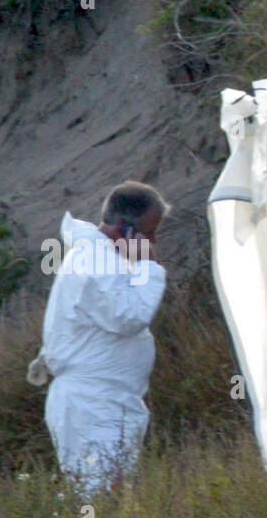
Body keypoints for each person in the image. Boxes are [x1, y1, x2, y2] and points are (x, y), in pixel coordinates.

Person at [28, 181, 168, 496]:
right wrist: (147, 266)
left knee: (111, 495)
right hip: (92, 401)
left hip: (103, 399)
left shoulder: (102, 258)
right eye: (148, 233)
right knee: (101, 498)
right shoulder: (97, 260)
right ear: (125, 229)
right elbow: (129, 316)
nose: (153, 241)